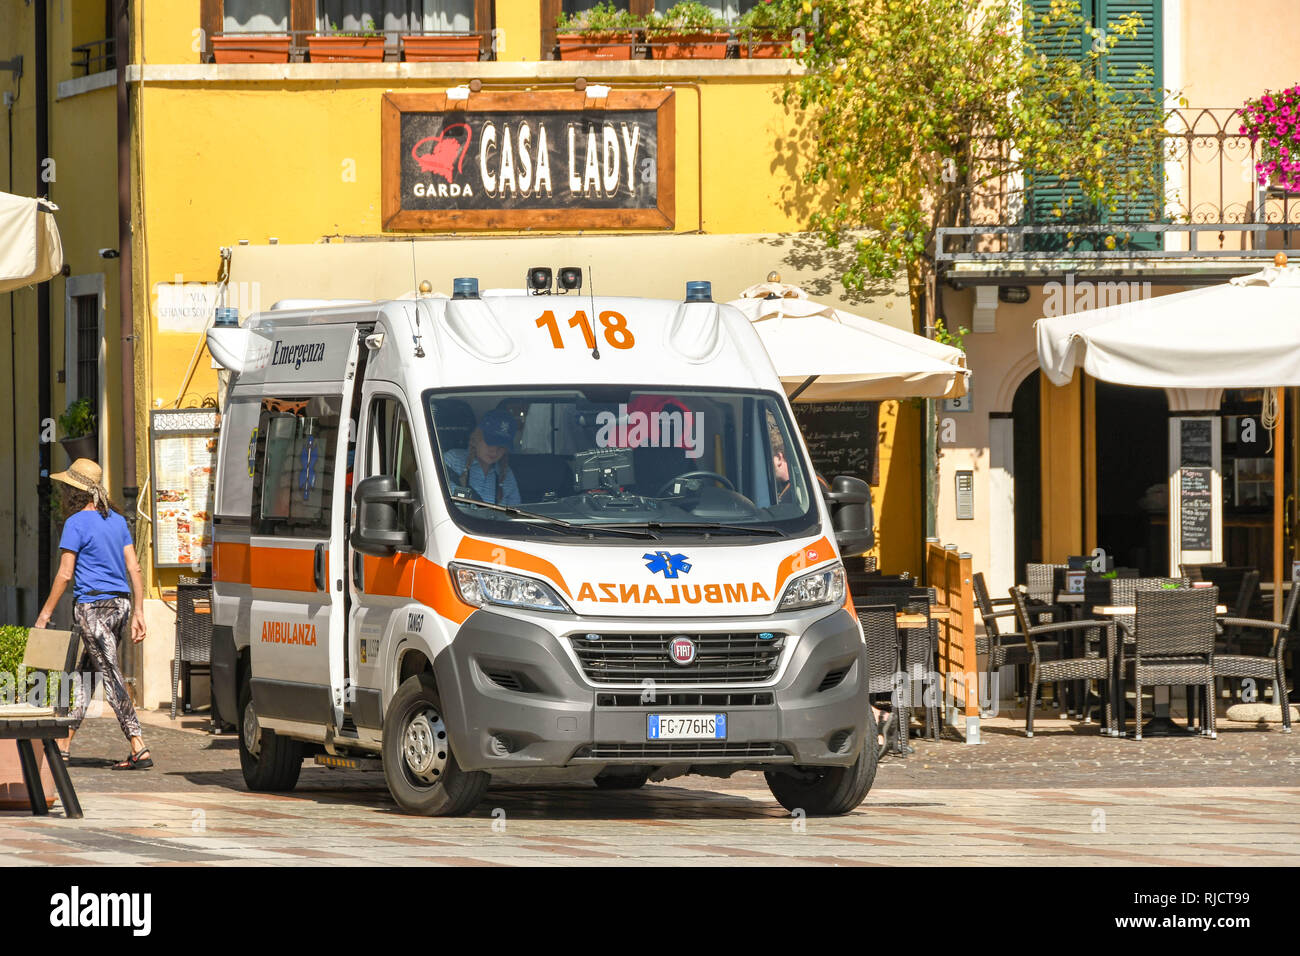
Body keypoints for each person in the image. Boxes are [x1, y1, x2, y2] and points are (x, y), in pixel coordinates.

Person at [34, 459, 152, 770]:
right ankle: (64, 744)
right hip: (122, 606)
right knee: (86, 676)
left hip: (93, 610)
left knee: (110, 675)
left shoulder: (75, 523)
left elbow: (64, 574)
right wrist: (139, 610)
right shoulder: (116, 521)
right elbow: (134, 568)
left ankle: (138, 744)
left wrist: (44, 615)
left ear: (73, 491)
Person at [441, 409, 522, 507]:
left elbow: (515, 513)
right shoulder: (452, 461)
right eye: (490, 443)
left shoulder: (506, 475)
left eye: (501, 446)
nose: (494, 451)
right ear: (476, 437)